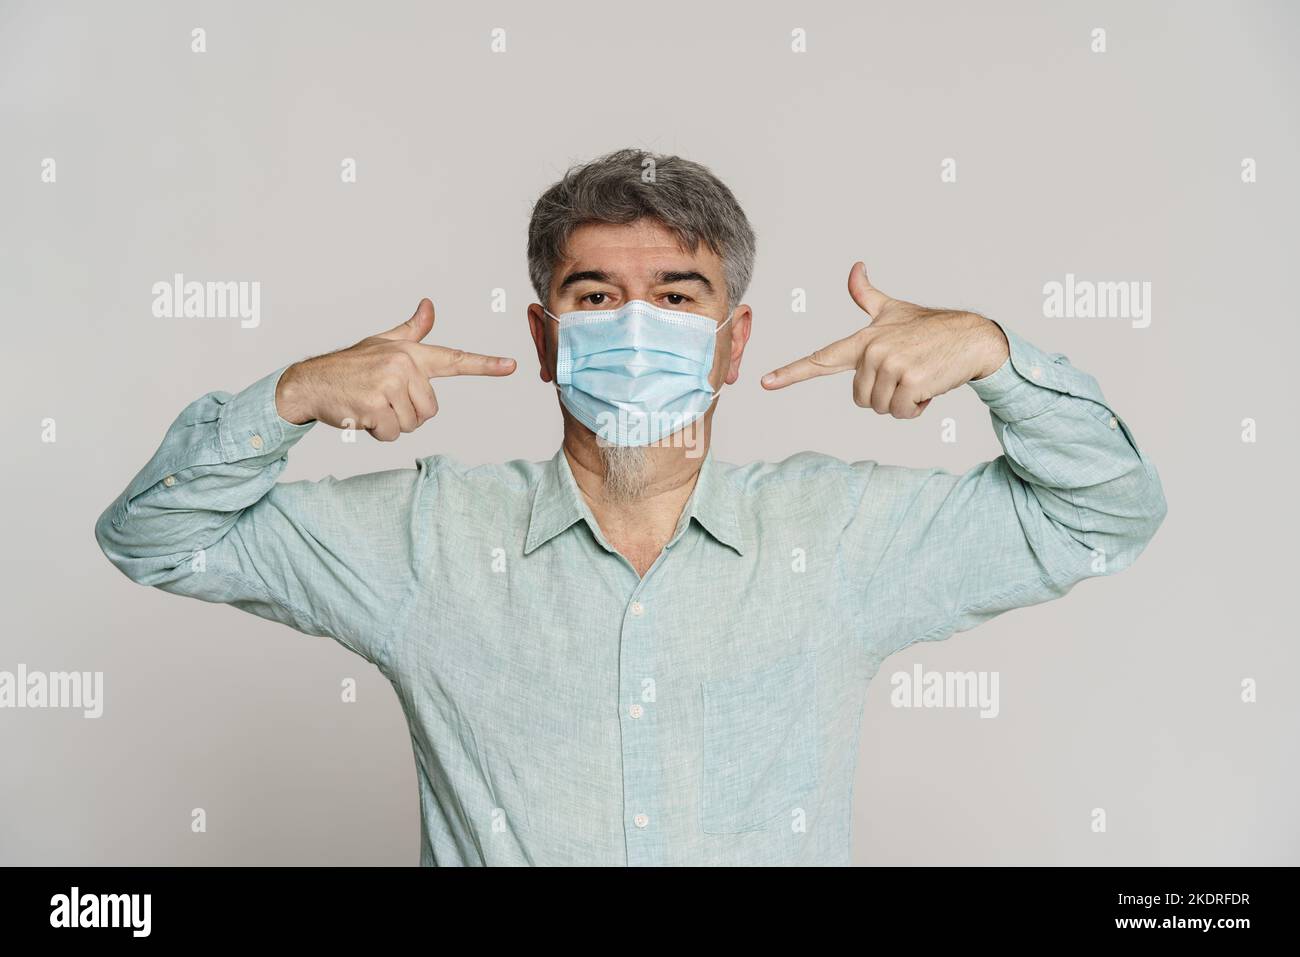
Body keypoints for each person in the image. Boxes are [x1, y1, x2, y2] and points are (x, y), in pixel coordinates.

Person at [95, 148, 1167, 865]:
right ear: (545, 337)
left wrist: (994, 356)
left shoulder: (834, 539)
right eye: (596, 296)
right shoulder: (428, 539)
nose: (636, 323)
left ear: (733, 342)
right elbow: (153, 540)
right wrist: (284, 400)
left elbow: (1101, 516)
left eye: (678, 296)